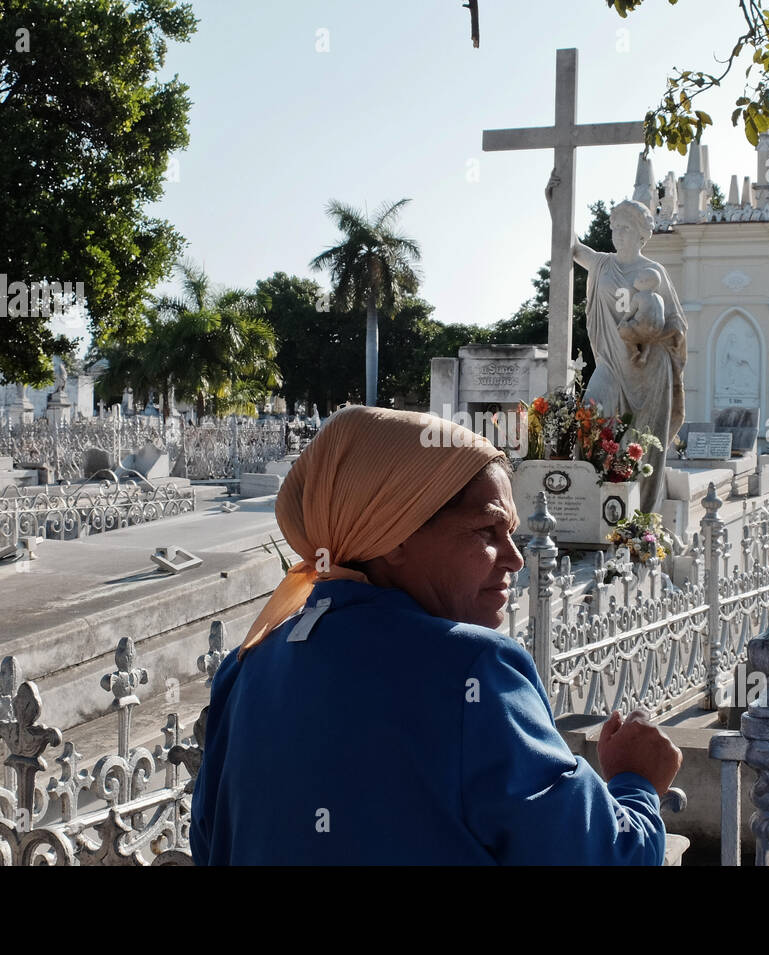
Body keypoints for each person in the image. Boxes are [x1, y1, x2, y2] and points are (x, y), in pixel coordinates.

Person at [190, 406, 682, 865]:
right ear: (395, 535)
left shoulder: (247, 666)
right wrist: (637, 781)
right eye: (487, 532)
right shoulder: (474, 670)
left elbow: (211, 841)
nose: (514, 558)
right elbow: (603, 855)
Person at [548, 178, 688, 513]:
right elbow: (573, 246)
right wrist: (556, 206)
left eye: (625, 228)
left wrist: (646, 331)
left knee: (645, 445)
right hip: (611, 365)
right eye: (615, 227)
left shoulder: (653, 272)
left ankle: (639, 520)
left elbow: (676, 327)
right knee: (592, 419)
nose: (618, 233)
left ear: (641, 233)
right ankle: (595, 506)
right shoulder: (603, 265)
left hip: (650, 371)